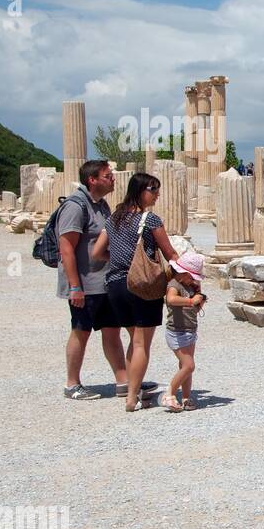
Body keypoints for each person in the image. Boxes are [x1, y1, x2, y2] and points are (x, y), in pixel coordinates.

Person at [92, 172, 180, 411]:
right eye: (153, 190)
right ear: (139, 190)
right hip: (142, 286)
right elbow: (170, 253)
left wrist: (120, 260)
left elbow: (97, 253)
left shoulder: (114, 219)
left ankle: (133, 387)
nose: (157, 195)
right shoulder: (150, 220)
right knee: (141, 343)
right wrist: (187, 276)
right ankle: (132, 398)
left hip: (116, 285)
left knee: (134, 339)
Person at [57, 159, 139, 400]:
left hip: (104, 281)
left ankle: (123, 380)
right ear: (92, 180)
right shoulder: (75, 206)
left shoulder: (101, 204)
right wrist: (74, 286)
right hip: (84, 283)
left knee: (112, 331)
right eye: (107, 175)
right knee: (80, 331)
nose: (113, 178)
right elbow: (67, 248)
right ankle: (72, 384)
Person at [163, 251, 207, 412]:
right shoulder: (174, 285)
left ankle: (186, 397)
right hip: (176, 332)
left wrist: (199, 299)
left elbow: (195, 310)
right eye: (192, 277)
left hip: (189, 330)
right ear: (183, 273)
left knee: (185, 365)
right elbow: (171, 299)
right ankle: (169, 394)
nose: (194, 280)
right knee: (189, 365)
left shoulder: (189, 286)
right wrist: (190, 300)